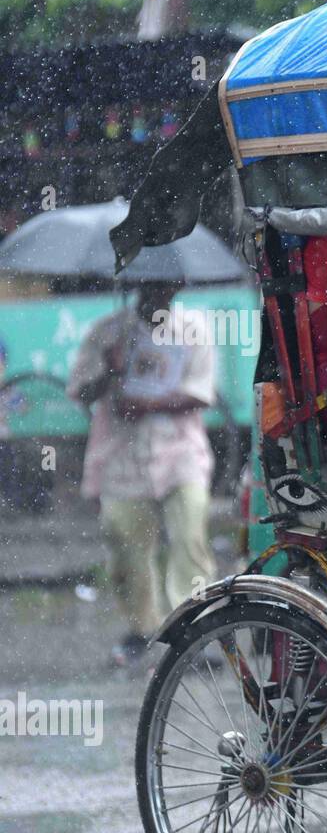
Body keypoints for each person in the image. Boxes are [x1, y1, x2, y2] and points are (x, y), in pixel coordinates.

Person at [67, 282, 217, 666]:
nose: (160, 293)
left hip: (181, 451)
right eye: (152, 284)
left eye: (168, 285)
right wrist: (109, 370)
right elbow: (80, 390)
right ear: (137, 284)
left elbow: (201, 392)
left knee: (190, 539)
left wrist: (150, 404)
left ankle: (192, 630)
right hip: (123, 454)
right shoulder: (108, 331)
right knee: (124, 542)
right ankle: (143, 629)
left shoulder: (193, 329)